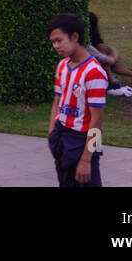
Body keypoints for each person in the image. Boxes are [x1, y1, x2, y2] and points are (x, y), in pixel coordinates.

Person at [46, 13, 105, 187]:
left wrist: (87, 159)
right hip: (61, 135)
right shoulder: (62, 65)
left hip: (82, 140)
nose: (56, 46)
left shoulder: (94, 72)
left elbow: (97, 120)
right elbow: (57, 102)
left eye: (59, 40)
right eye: (53, 42)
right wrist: (52, 134)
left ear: (75, 37)